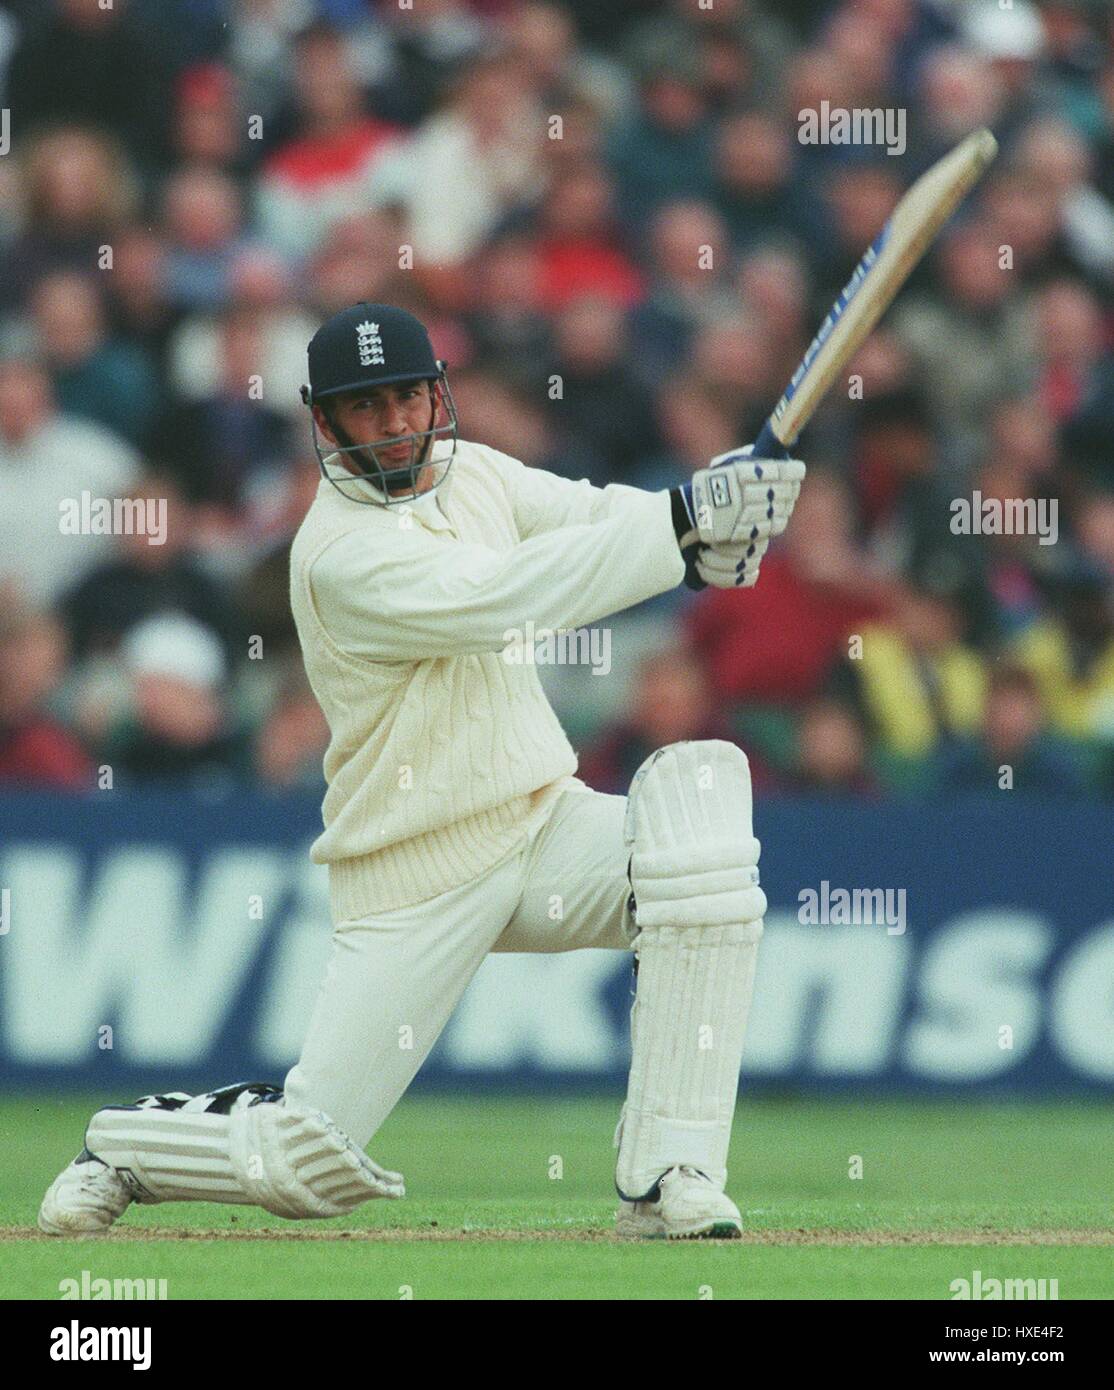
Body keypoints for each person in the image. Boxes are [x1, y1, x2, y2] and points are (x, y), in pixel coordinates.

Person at [39, 302, 805, 1241]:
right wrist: (687, 532)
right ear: (326, 423)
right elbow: (504, 598)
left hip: (542, 824)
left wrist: (710, 515)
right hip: (417, 869)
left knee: (705, 816)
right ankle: (125, 1146)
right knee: (305, 1161)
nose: (398, 424)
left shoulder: (473, 470)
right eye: (369, 408)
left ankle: (668, 1178)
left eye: (409, 397)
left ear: (438, 393)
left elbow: (599, 518)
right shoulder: (338, 557)